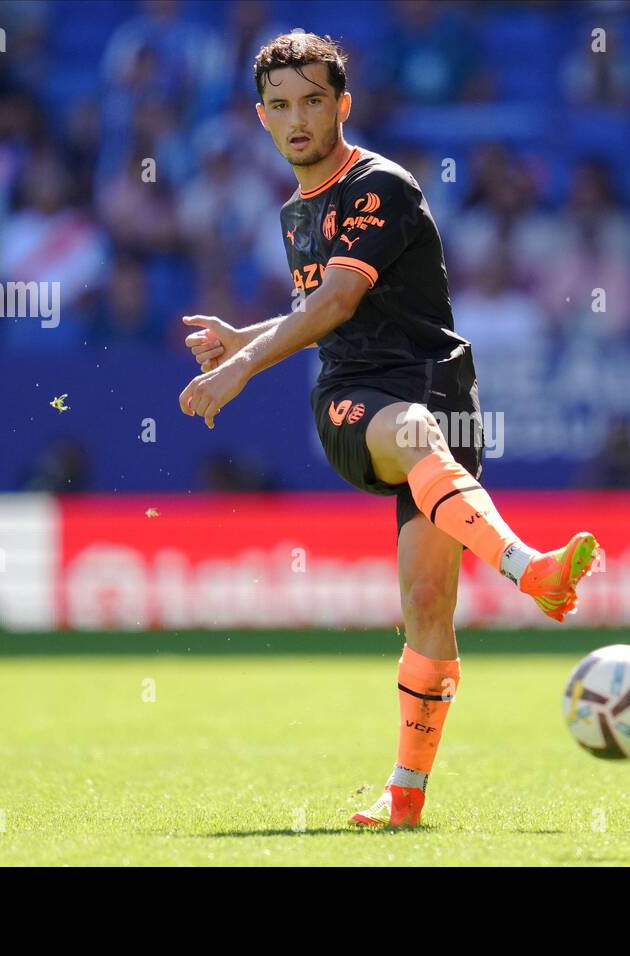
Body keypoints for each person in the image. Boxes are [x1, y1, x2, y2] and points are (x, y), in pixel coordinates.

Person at [176, 33, 600, 829]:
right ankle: (529, 568)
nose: (296, 119)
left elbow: (334, 302)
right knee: (408, 434)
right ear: (261, 118)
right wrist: (247, 346)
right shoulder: (297, 212)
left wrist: (241, 359)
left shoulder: (379, 185)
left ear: (343, 105)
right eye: (280, 106)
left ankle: (404, 797)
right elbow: (330, 313)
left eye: (311, 101)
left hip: (444, 391)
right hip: (355, 398)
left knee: (429, 603)